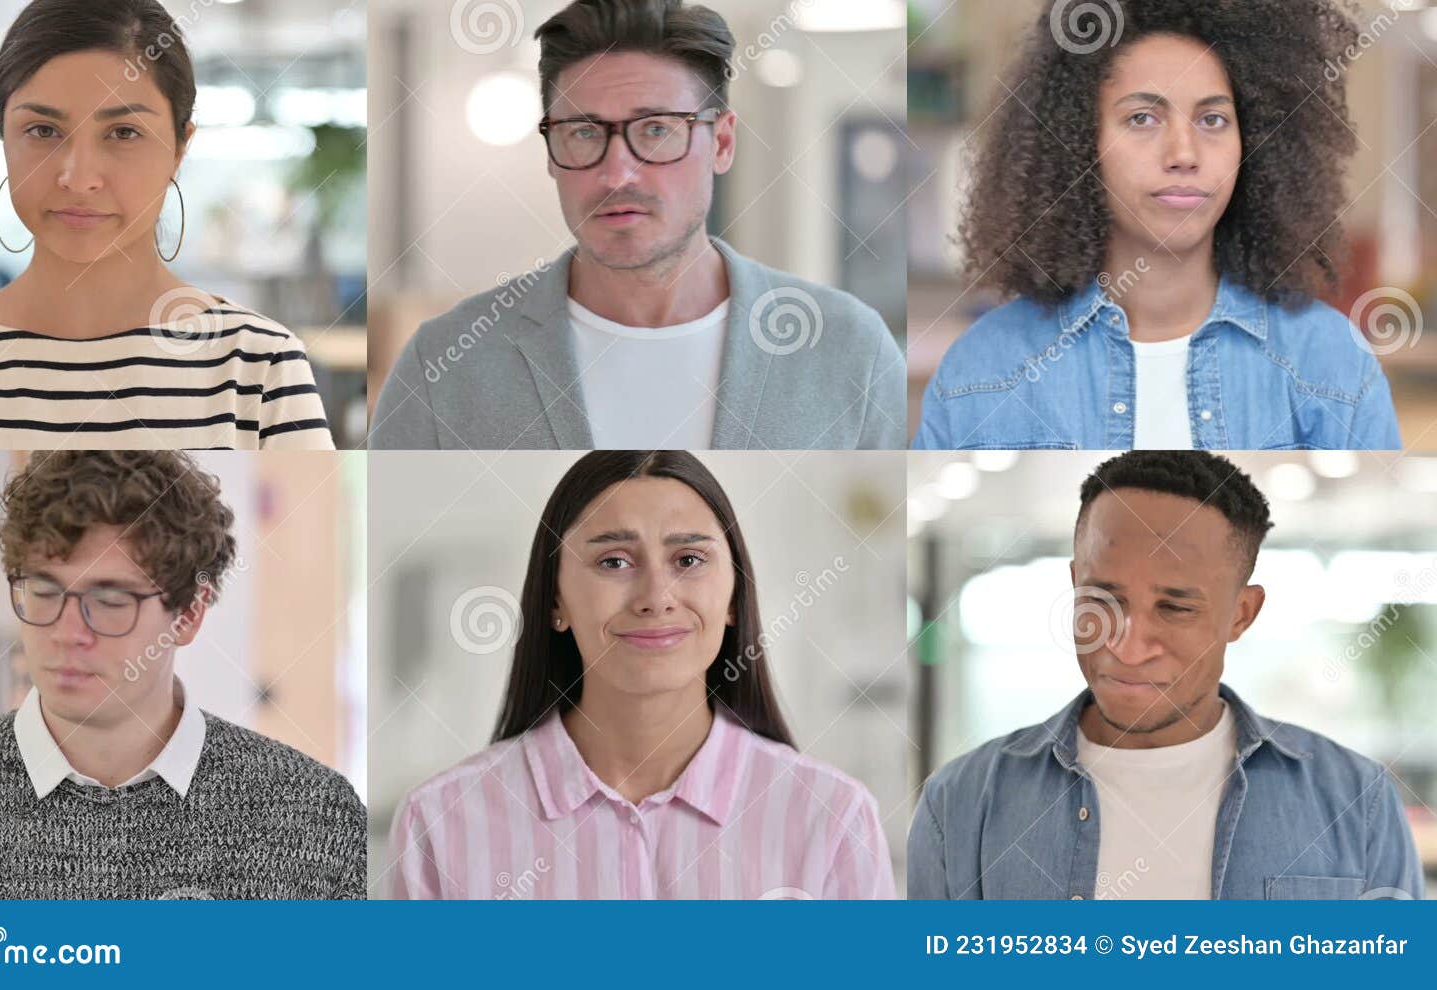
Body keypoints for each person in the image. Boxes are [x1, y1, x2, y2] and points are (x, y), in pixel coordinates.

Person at [371, 0, 906, 451]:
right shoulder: (445, 363)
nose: (616, 172)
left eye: (655, 129)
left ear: (721, 142)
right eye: (582, 132)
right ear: (551, 153)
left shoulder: (848, 349)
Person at [0, 451, 366, 899]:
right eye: (44, 591)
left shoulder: (314, 818)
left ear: (189, 614)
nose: (69, 632)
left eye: (109, 600)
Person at [908, 450, 1424, 900]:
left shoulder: (1358, 802)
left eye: (1175, 608)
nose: (1126, 647)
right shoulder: (961, 801)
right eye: (1101, 599)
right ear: (1073, 583)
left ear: (1241, 614)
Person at [387, 450, 893, 898]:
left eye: (689, 559)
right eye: (613, 562)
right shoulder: (440, 823)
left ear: (734, 597)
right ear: (555, 601)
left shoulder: (833, 819)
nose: (655, 597)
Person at [913, 0, 1399, 450]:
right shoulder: (983, 372)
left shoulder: (1331, 362)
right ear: (1077, 142)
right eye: (1143, 118)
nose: (1184, 154)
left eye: (1212, 120)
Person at [0, 0, 332, 450]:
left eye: (123, 133)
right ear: (3, 136)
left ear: (179, 147)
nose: (79, 178)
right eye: (43, 131)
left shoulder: (261, 368)